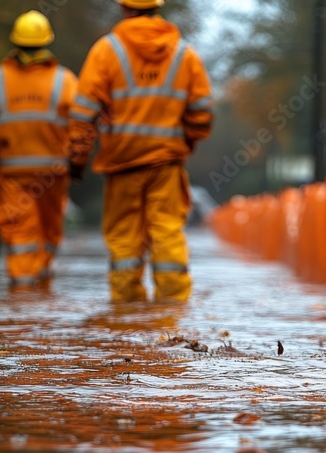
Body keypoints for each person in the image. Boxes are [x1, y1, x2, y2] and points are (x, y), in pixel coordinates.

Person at [68, 0, 214, 303]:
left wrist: (77, 159)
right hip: (166, 163)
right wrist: (185, 143)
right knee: (168, 231)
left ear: (124, 8)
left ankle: (126, 316)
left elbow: (83, 114)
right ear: (157, 8)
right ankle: (172, 313)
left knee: (124, 240)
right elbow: (202, 112)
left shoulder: (106, 50)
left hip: (122, 163)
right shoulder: (184, 53)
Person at [0, 11, 77, 289]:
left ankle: (23, 305)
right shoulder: (65, 81)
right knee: (49, 232)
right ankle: (41, 292)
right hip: (53, 176)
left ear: (15, 42)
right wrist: (78, 163)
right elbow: (82, 129)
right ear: (46, 42)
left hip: (14, 177)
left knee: (21, 237)